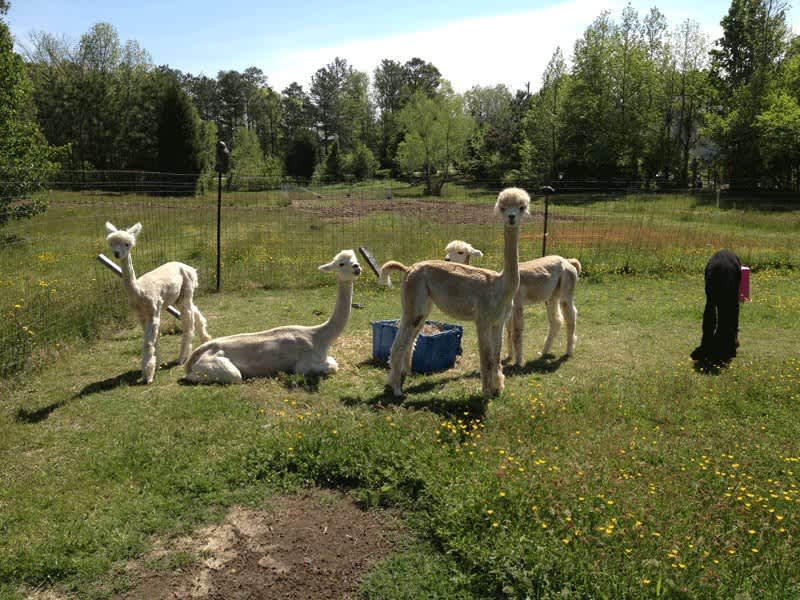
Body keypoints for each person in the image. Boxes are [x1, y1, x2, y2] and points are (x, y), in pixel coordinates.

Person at [690, 249, 741, 363]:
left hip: (713, 272)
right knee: (729, 309)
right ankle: (728, 344)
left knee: (710, 306)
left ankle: (707, 344)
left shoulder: (715, 261)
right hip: (728, 271)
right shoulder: (734, 262)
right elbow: (734, 308)